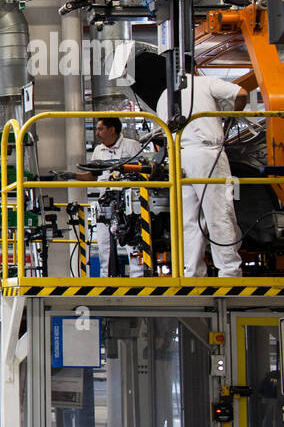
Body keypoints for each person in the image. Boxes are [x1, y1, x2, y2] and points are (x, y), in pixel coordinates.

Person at [156, 74, 249, 277]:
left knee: (188, 219)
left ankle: (192, 273)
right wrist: (231, 117)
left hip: (178, 157)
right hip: (207, 154)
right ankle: (229, 271)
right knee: (219, 213)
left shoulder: (164, 95)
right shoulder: (206, 82)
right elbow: (241, 93)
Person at [75, 117, 143, 276]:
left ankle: (138, 279)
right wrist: (73, 176)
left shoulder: (131, 145)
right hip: (105, 202)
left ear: (112, 130)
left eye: (100, 129)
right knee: (104, 244)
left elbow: (142, 171)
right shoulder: (99, 150)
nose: (97, 133)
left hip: (127, 203)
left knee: (131, 241)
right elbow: (93, 176)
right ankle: (106, 280)